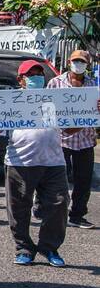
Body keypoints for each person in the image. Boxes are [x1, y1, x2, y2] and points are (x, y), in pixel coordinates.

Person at [0, 60, 69, 266]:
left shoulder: (52, 102)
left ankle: (49, 248)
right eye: (31, 75)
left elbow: (70, 129)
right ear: (21, 80)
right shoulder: (11, 102)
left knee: (59, 204)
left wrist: (90, 113)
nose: (36, 78)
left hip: (54, 162)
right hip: (20, 162)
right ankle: (23, 248)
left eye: (38, 74)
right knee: (19, 208)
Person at [48, 49, 97, 229]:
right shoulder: (55, 83)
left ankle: (77, 215)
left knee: (83, 181)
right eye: (76, 61)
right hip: (60, 139)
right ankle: (53, 212)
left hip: (85, 140)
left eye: (82, 61)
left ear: (88, 64)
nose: (78, 64)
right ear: (69, 62)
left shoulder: (94, 85)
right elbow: (46, 109)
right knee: (57, 179)